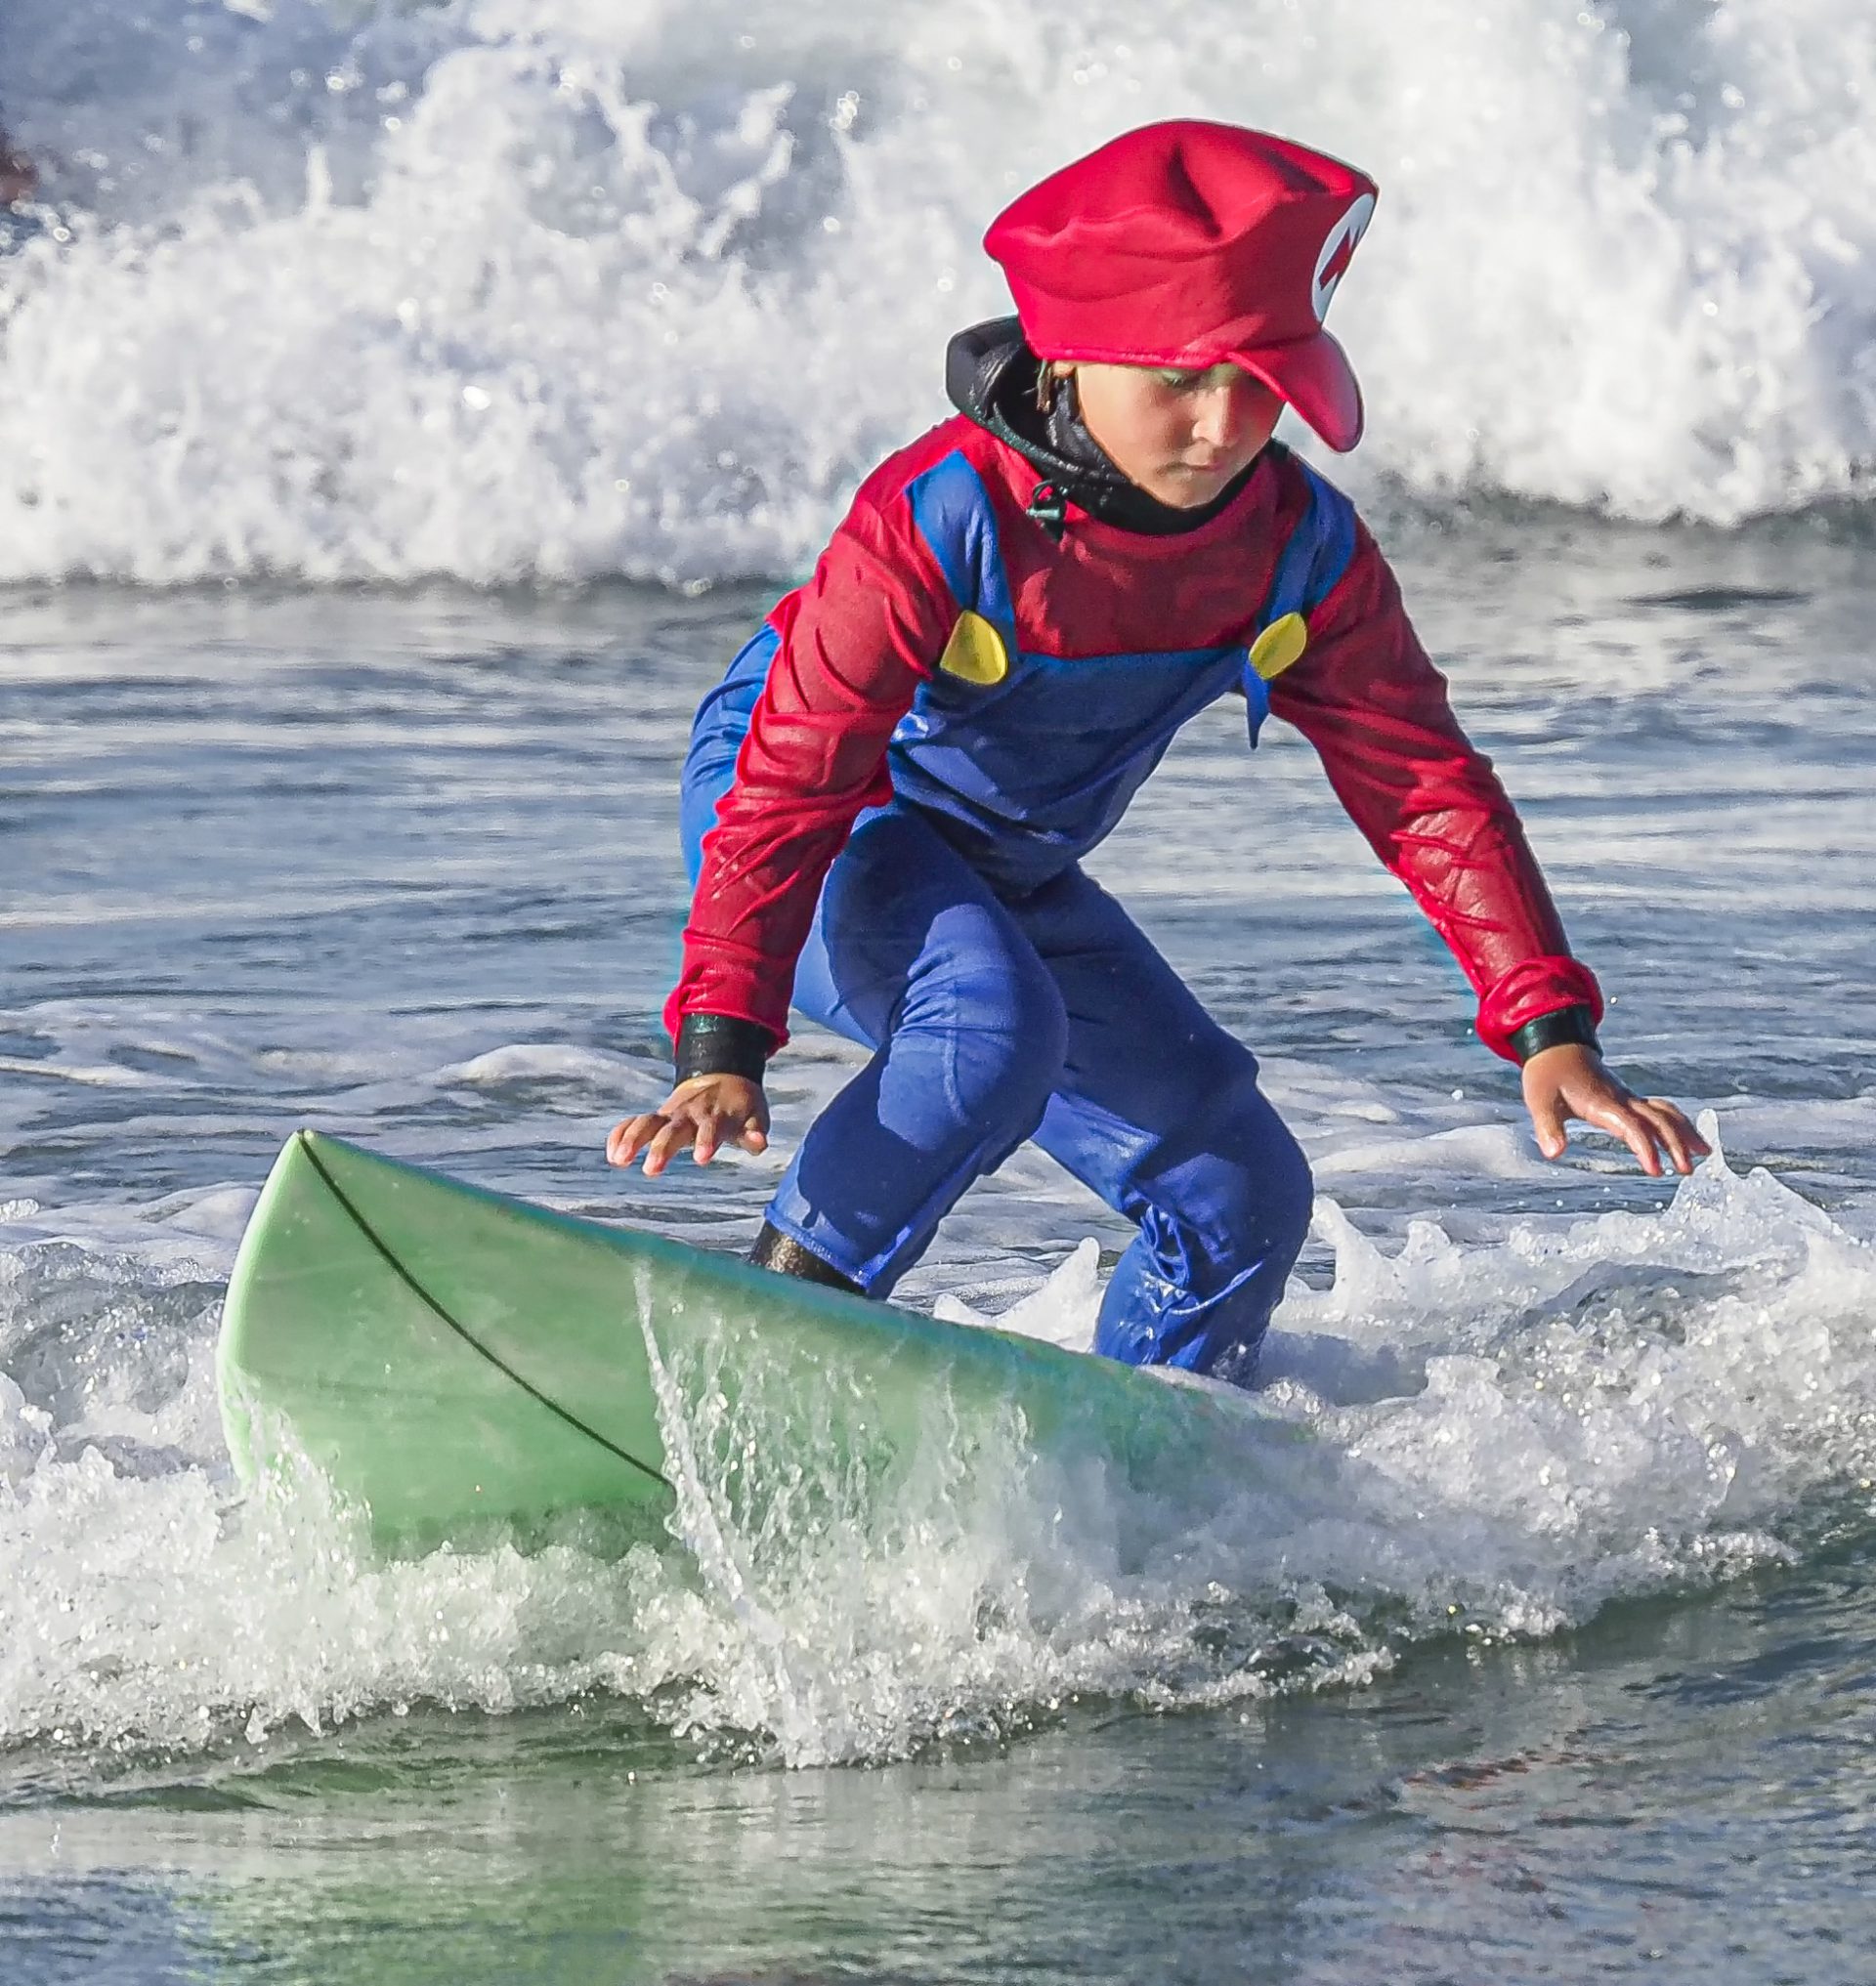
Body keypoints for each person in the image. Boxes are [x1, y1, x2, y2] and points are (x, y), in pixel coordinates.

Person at [608, 120, 1707, 1379]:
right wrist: (723, 1039)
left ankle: (1152, 1446)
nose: (1222, 424)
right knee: (985, 1027)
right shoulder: (942, 516)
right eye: (1180, 378)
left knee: (1239, 1195)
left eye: (1260, 380)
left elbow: (1421, 784)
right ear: (1070, 355)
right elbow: (793, 777)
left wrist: (1545, 1023)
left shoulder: (1295, 546)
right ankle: (763, 1340)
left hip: (1007, 864)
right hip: (815, 813)